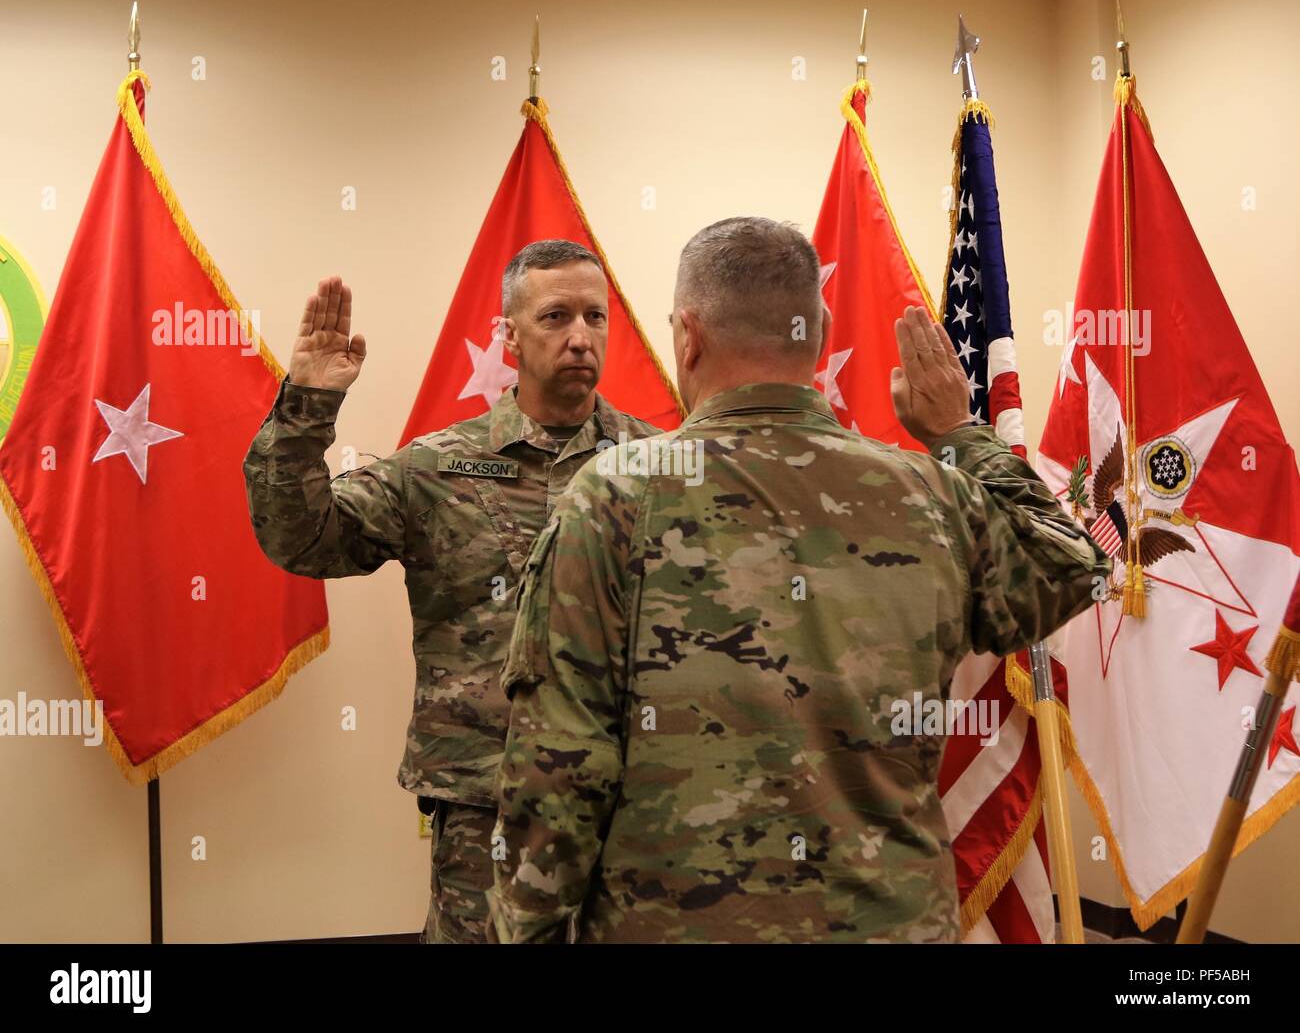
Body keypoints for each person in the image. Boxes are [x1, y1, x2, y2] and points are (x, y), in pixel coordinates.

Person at [487, 216, 1111, 943]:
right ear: (819, 329)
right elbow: (1074, 568)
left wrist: (522, 929)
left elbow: (559, 768)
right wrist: (958, 434)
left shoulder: (615, 496)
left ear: (687, 336)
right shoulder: (932, 493)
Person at [242, 240, 661, 943]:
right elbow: (300, 539)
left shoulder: (658, 465)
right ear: (509, 335)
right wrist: (308, 407)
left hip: (631, 804)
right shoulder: (438, 468)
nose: (581, 336)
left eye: (595, 316)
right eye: (556, 316)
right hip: (485, 809)